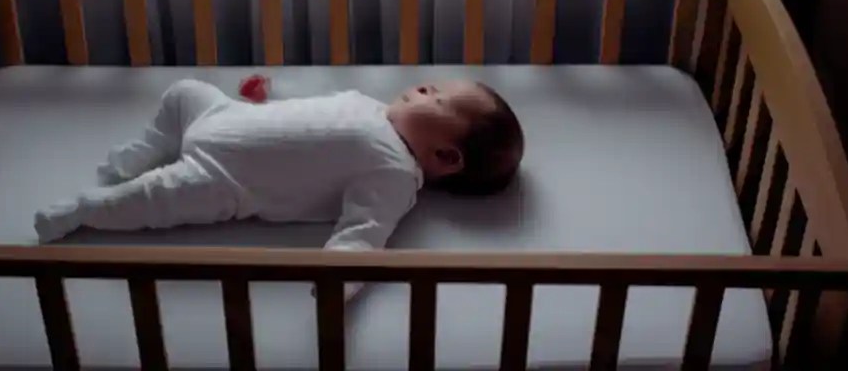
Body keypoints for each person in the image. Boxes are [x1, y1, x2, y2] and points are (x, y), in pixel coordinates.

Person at [33, 77, 523, 292]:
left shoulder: (393, 174)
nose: (422, 87)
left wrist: (339, 281)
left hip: (226, 180)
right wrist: (268, 100)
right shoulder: (373, 108)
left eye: (434, 98)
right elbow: (308, 117)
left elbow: (363, 235)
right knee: (184, 92)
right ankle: (141, 152)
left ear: (445, 156)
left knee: (151, 200)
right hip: (228, 117)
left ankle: (87, 207)